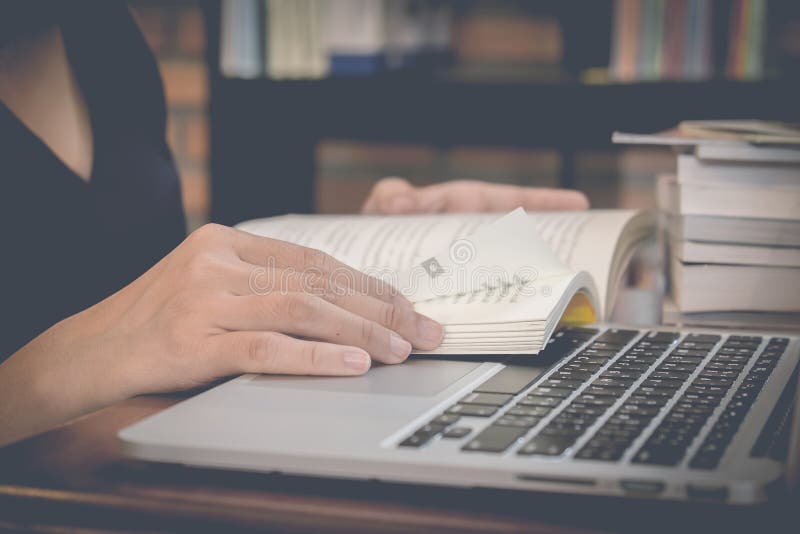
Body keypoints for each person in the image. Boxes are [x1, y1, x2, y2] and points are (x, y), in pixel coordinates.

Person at [0, 1, 589, 447]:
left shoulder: (99, 34)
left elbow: (134, 283)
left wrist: (378, 257)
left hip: (155, 451)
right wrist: (71, 367)